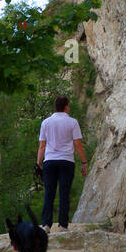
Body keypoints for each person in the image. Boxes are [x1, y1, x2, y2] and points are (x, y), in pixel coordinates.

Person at [36, 96, 87, 230]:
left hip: (50, 161)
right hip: (66, 161)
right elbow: (78, 144)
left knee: (49, 193)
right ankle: (62, 226)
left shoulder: (46, 123)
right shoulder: (72, 122)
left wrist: (38, 164)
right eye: (68, 105)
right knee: (64, 193)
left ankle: (46, 225)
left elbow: (42, 146)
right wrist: (84, 162)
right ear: (66, 107)